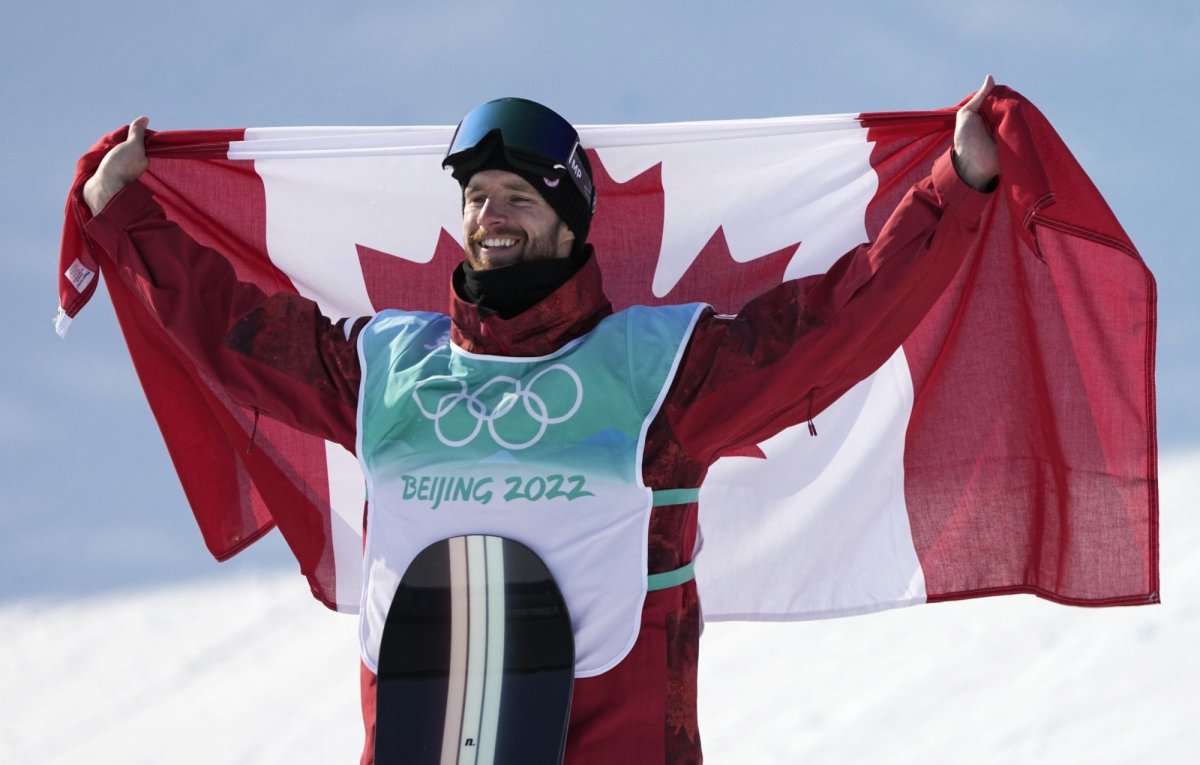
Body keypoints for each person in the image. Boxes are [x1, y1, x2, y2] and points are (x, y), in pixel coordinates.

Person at [80, 78, 999, 764]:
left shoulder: (662, 371)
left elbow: (835, 327)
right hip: (427, 723)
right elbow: (235, 333)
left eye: (520, 197)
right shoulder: (389, 365)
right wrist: (125, 219)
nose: (491, 216)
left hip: (622, 729)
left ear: (572, 223)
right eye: (477, 198)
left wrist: (952, 189)